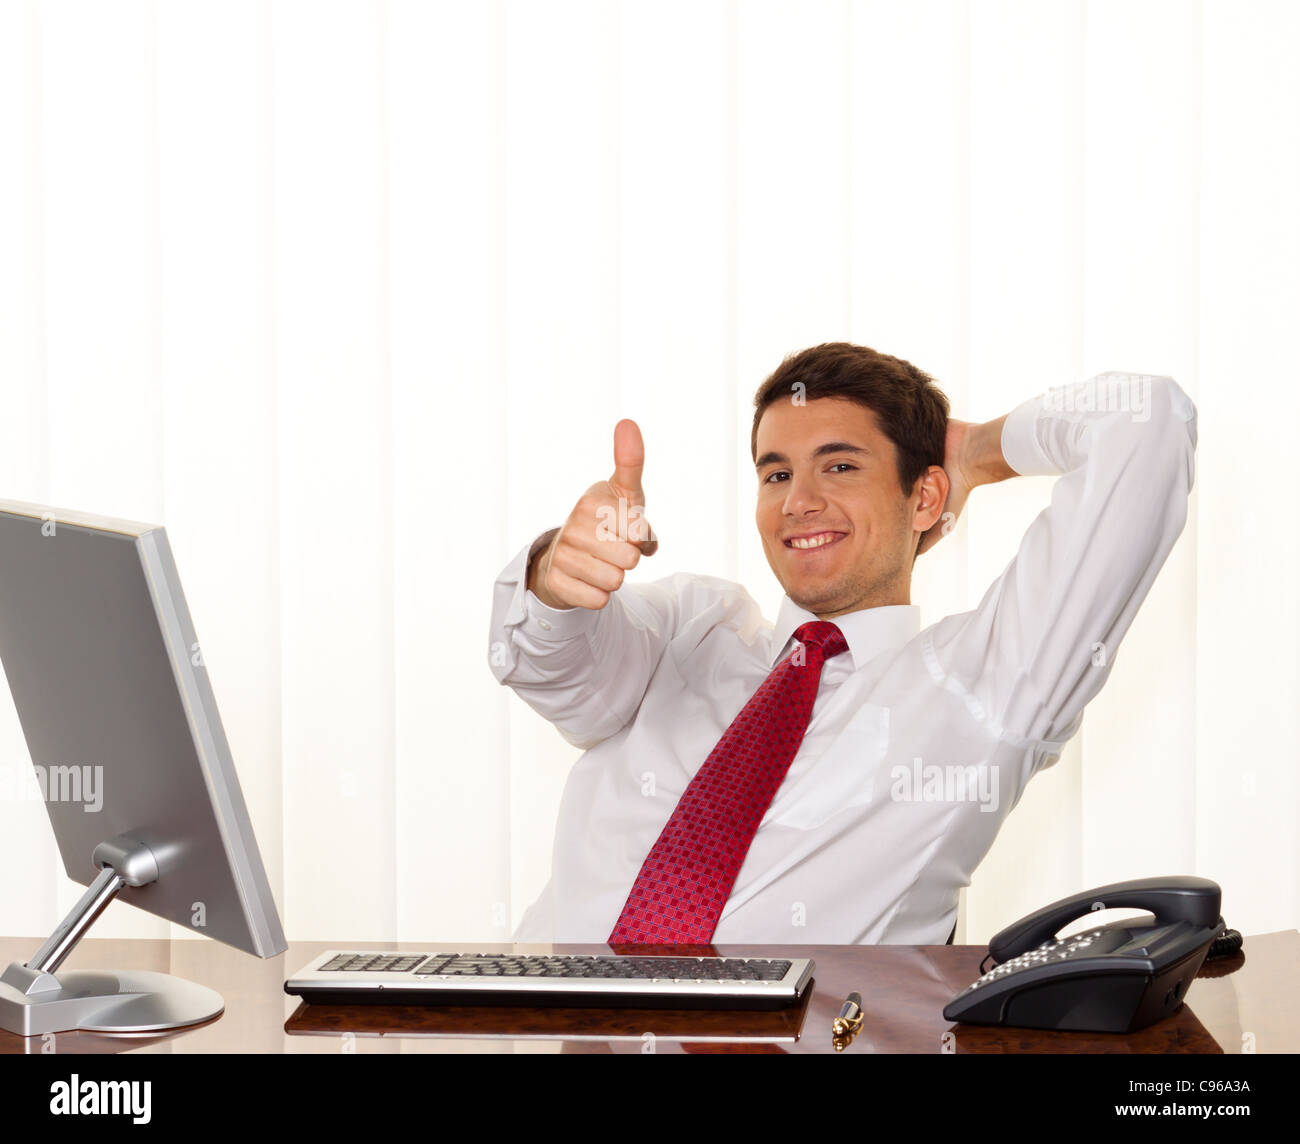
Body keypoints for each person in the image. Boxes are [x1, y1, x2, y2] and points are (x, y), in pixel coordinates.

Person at [487, 342, 1197, 945]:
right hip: (531, 1028)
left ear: (924, 499)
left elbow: (1149, 423)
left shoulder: (984, 687)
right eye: (777, 473)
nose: (798, 500)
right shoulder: (692, 626)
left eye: (840, 465)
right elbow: (556, 666)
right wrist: (558, 575)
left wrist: (978, 451)